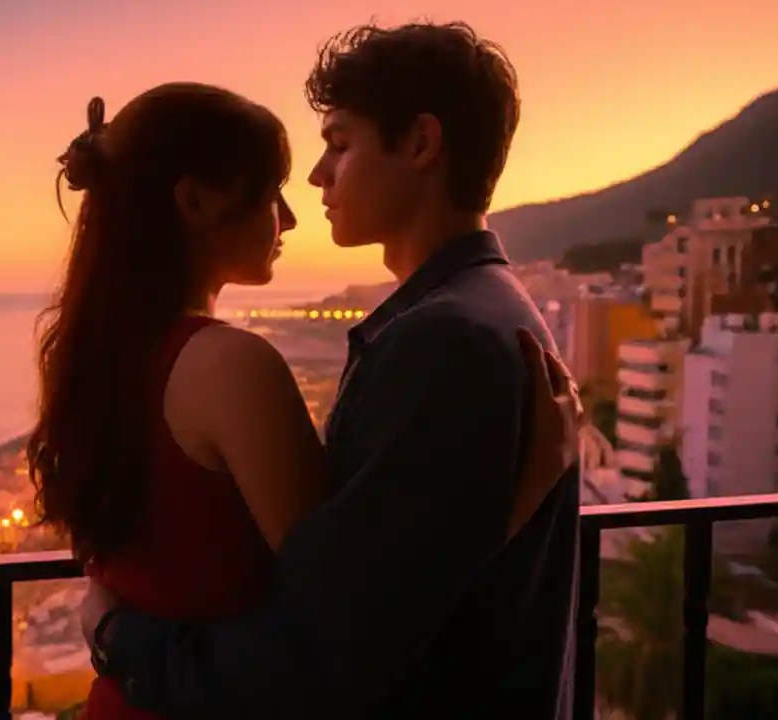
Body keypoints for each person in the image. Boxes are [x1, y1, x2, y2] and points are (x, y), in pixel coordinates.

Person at [29, 72, 578, 720]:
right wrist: (523, 495)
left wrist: (116, 635)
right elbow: (347, 618)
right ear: (197, 202)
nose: (290, 216)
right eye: (271, 193)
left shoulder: (99, 354)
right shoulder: (232, 365)